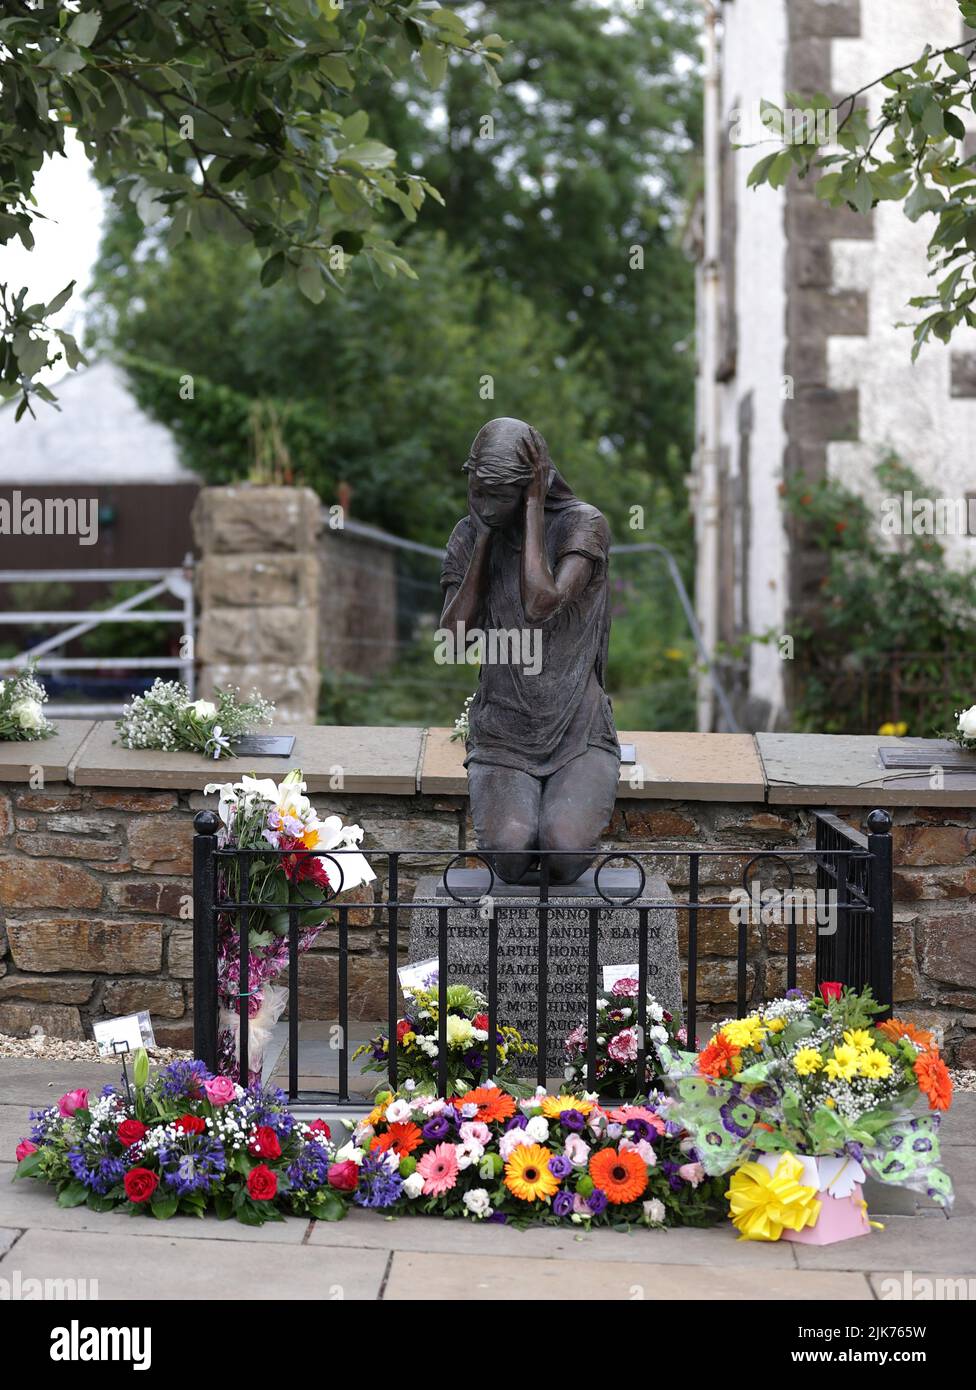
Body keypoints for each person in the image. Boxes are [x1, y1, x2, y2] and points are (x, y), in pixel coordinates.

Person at [440, 416, 620, 885]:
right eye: (477, 491)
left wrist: (535, 509)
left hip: (576, 731)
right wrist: (482, 539)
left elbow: (541, 603)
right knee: (511, 854)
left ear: (531, 485)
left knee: (563, 851)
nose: (484, 504)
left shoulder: (584, 525)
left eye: (498, 495)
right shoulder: (467, 533)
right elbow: (454, 639)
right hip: (502, 736)